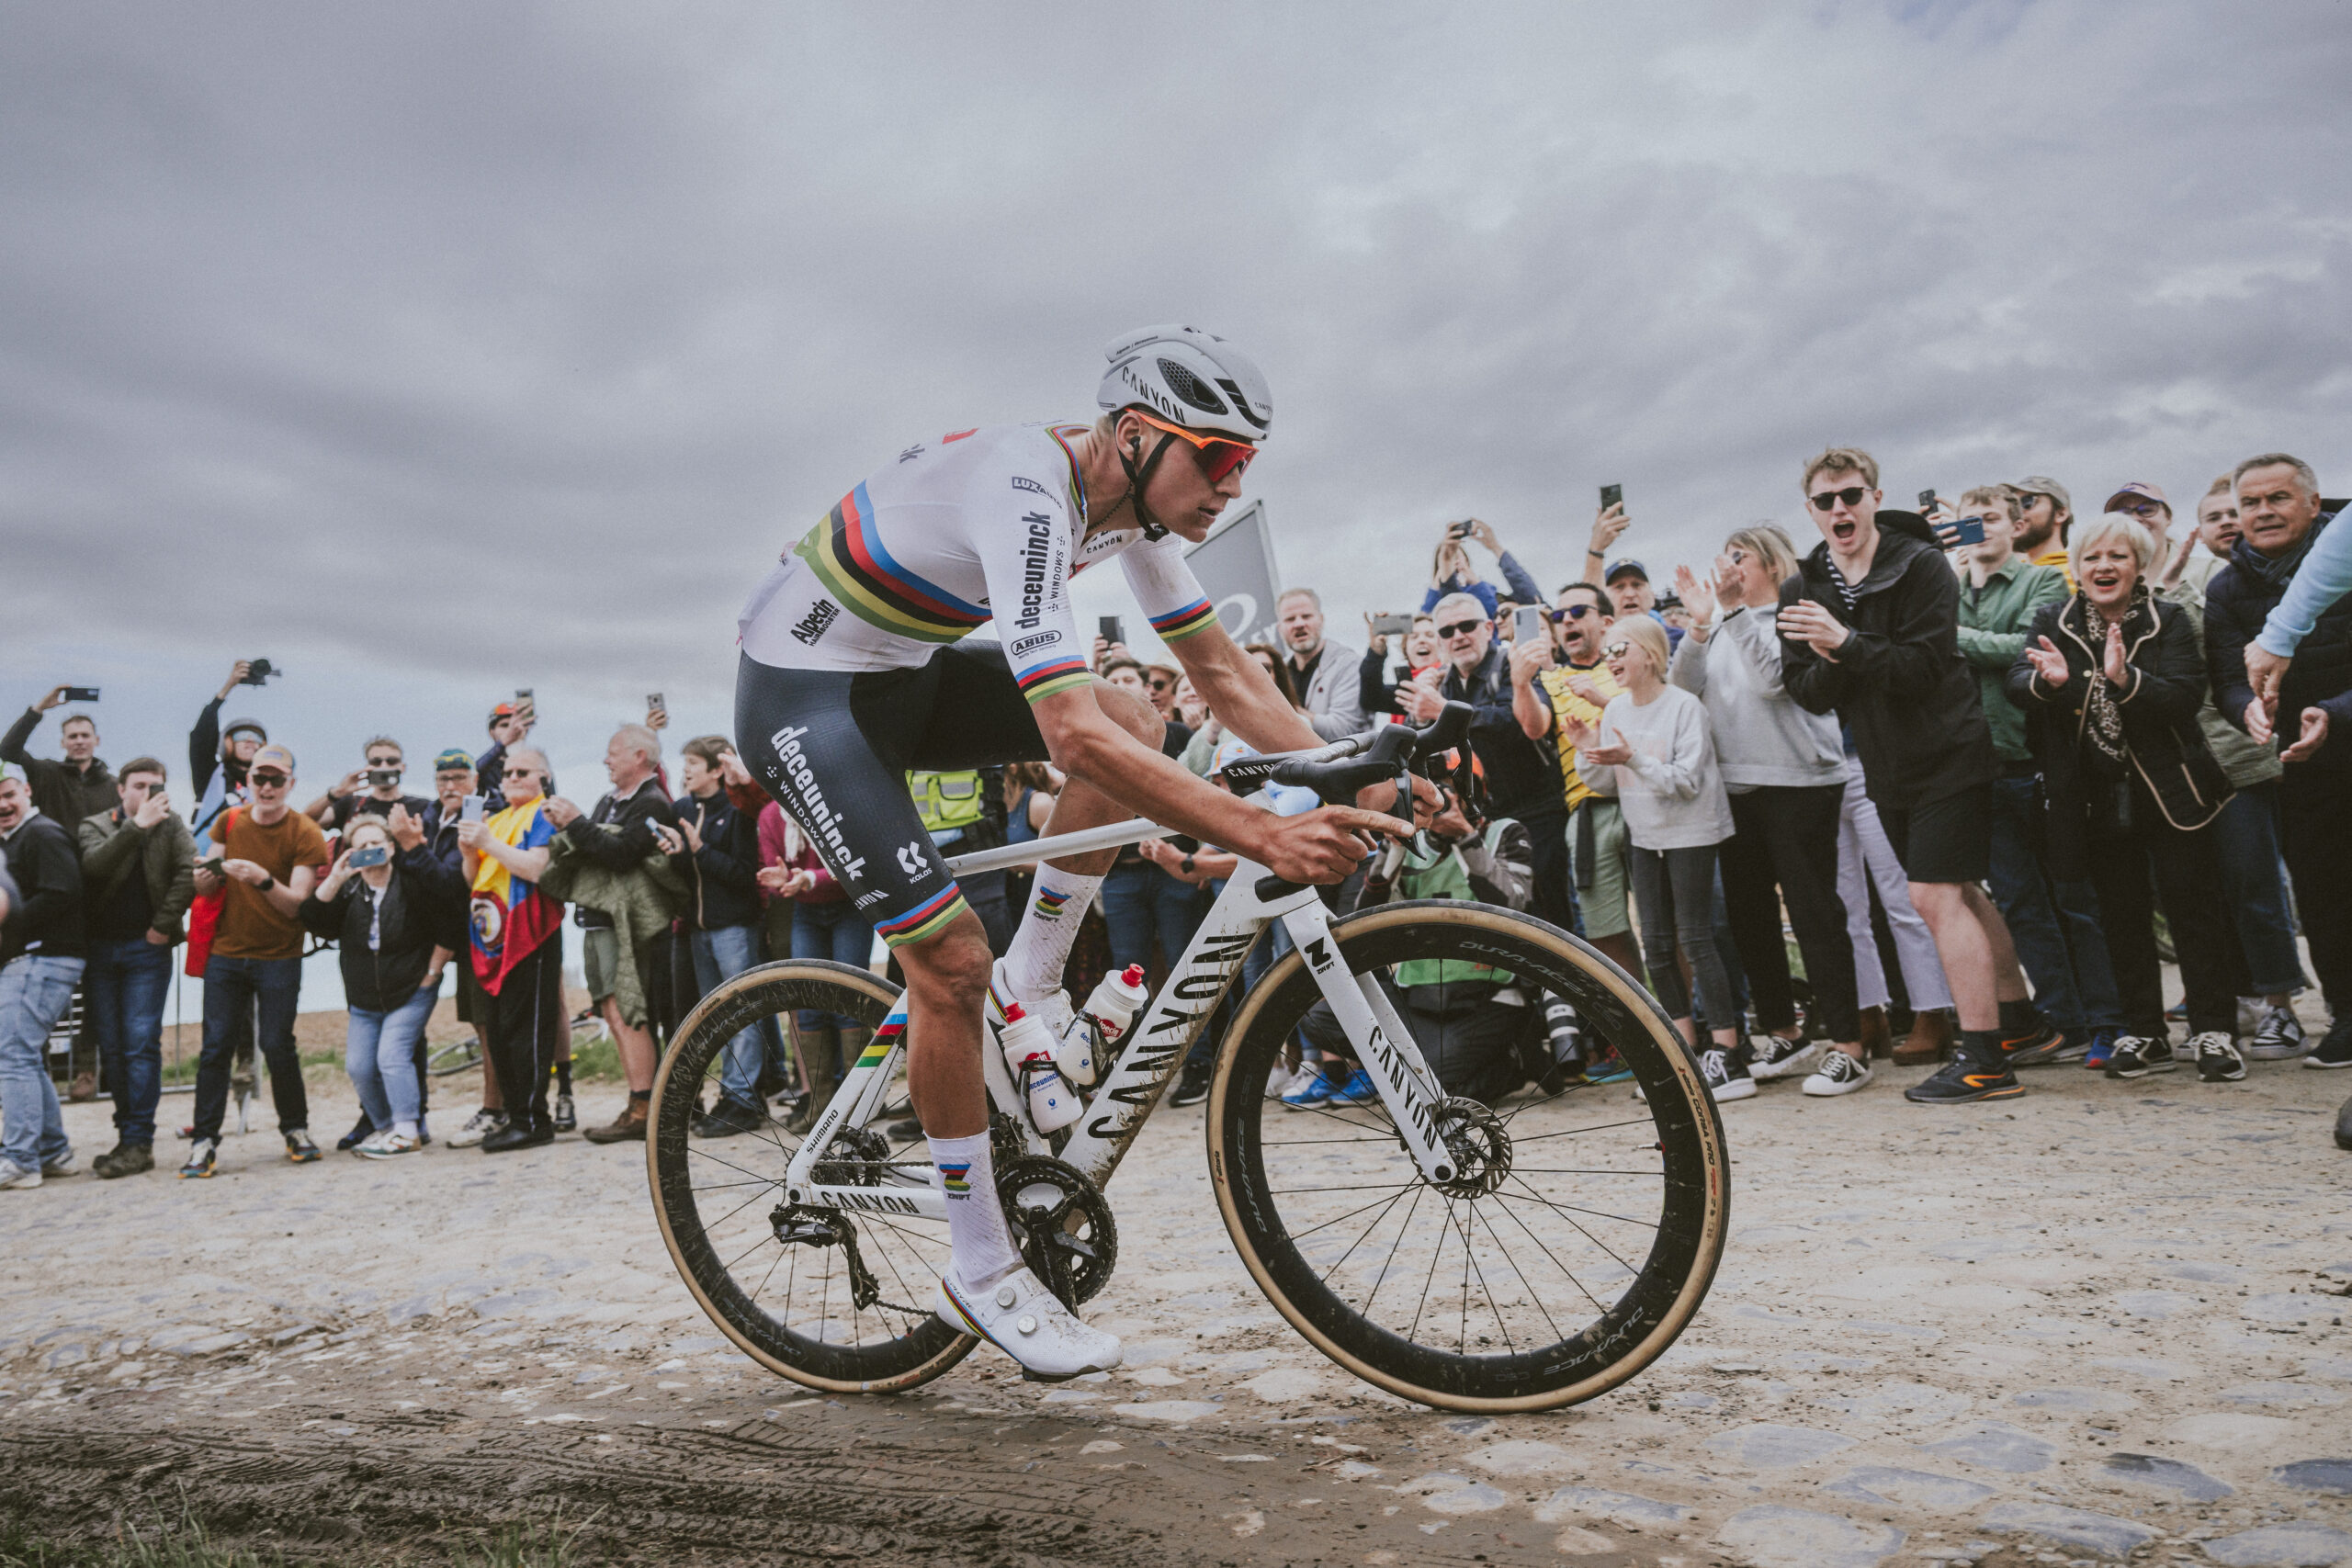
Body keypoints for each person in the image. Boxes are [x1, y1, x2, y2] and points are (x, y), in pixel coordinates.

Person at [730, 325, 1412, 1382]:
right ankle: (980, 1264)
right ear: (1137, 436)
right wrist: (1263, 831)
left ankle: (1034, 982)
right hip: (806, 698)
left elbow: (1226, 682)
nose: (1231, 484)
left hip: (901, 672)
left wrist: (1356, 766)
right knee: (949, 962)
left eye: (1247, 464)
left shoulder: (1131, 508)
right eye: (1217, 456)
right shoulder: (1028, 488)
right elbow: (1066, 738)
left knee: (1136, 712)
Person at [1777, 447, 2050, 1106]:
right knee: (1958, 890)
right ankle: (2020, 1023)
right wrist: (1838, 654)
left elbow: (1926, 666)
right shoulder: (1802, 585)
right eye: (1825, 500)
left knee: (1932, 898)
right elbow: (1807, 693)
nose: (1840, 509)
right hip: (1884, 760)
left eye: (1850, 495)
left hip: (1950, 746)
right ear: (1811, 511)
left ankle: (1985, 1061)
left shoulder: (1920, 562)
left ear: (1873, 496)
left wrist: (1842, 644)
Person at [2009, 514, 2244, 1082]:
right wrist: (2054, 683)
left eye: (2117, 557)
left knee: (2194, 909)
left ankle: (2214, 1029)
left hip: (2172, 790)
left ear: (2140, 566)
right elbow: (2020, 681)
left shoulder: (2169, 619)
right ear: (2078, 567)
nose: (2103, 567)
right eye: (2092, 558)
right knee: (2121, 916)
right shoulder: (2053, 619)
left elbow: (2186, 696)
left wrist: (2124, 679)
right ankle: (2145, 1032)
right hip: (2093, 794)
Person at [1671, 528, 1870, 1096]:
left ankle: (1850, 1046)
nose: (1728, 567)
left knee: (1813, 914)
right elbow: (1683, 691)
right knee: (1750, 918)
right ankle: (1785, 1031)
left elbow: (1774, 684)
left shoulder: (1796, 613)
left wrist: (1733, 611)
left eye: (1740, 557)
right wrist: (1701, 623)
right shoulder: (1719, 625)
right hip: (1735, 787)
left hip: (1800, 780)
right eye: (1725, 556)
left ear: (1772, 563)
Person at [2120, 482, 2312, 1059]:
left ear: (2170, 519)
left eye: (2144, 509)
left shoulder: (2207, 575)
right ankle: (2234, 1001)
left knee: (2253, 884)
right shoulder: (2118, 587)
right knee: (2197, 893)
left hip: (2231, 754)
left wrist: (2172, 592)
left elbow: (2229, 661)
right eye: (2124, 513)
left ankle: (2282, 1009)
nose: (2136, 519)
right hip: (2170, 770)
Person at [1954, 485, 2125, 1066]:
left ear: (2014, 523)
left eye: (1992, 518)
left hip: (2040, 761)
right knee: (2021, 904)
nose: (1980, 529)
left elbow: (2024, 650)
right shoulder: (1947, 591)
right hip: (1978, 766)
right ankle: (2064, 1022)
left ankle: (2108, 1020)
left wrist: (1946, 637)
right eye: (1968, 521)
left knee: (2075, 896)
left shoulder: (2042, 582)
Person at [2206, 453, 2352, 1068]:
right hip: (2299, 755)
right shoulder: (2227, 587)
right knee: (2322, 891)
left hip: (2338, 719)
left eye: (2278, 499)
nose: (2262, 512)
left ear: (2314, 504)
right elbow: (2226, 676)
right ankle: (2347, 1015)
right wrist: (2248, 712)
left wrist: (2336, 710)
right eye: (2251, 503)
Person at [1566, 617, 1749, 1100]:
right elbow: (1606, 785)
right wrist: (1589, 752)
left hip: (1692, 832)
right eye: (1606, 651)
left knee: (1696, 939)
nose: (1610, 658)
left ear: (1649, 653)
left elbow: (1686, 782)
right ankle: (1682, 1052)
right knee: (1658, 944)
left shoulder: (1684, 707)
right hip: (1644, 836)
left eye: (1619, 648)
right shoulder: (1617, 711)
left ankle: (1729, 1054)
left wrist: (1632, 759)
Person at [179, 743, 330, 1177]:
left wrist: (262, 880)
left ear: (291, 785)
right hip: (227, 953)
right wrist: (202, 878)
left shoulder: (305, 832)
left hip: (279, 955)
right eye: (259, 778)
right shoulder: (229, 821)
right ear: (246, 782)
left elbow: (297, 906)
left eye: (276, 779)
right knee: (215, 1047)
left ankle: (296, 1130)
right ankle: (203, 1141)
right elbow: (205, 888)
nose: (267, 787)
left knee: (277, 1044)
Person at [1413, 592, 1576, 939]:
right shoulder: (1446, 681)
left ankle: (1570, 992)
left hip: (1538, 812)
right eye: (1447, 631)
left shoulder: (1509, 662)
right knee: (1504, 920)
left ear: (1489, 628)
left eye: (1467, 626)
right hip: (1484, 819)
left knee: (1552, 916)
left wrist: (1443, 709)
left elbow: (1518, 726)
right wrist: (1423, 717)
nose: (1458, 636)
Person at [545, 725, 677, 1144]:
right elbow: (594, 847)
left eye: (612, 752)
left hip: (628, 926)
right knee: (612, 1013)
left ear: (640, 755)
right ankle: (638, 1102)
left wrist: (577, 824)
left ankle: (645, 1106)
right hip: (598, 921)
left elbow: (620, 856)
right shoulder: (610, 800)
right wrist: (577, 830)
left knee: (631, 1012)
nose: (606, 760)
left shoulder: (653, 802)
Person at [1520, 583, 1643, 992]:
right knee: (1604, 932)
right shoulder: (1552, 681)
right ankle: (1643, 1035)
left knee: (1667, 925)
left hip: (1644, 801)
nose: (1567, 621)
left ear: (1607, 622)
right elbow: (1534, 727)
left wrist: (1603, 701)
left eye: (1578, 612)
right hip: (1586, 815)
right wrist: (1521, 683)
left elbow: (1658, 720)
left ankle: (1690, 1032)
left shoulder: (1632, 664)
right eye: (1559, 617)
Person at [75, 758, 195, 1178]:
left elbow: (188, 873)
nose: (148, 793)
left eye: (156, 785)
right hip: (101, 951)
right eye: (139, 785)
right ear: (121, 789)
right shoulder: (94, 825)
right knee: (112, 1047)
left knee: (140, 1042)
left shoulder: (174, 824)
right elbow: (94, 867)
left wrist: (163, 928)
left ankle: (138, 1140)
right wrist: (137, 827)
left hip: (148, 950)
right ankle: (127, 1135)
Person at [300, 816, 447, 1157]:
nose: (369, 851)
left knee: (392, 1057)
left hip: (411, 990)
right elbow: (312, 919)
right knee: (360, 1067)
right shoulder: (349, 889)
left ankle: (408, 1130)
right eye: (360, 846)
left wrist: (432, 972)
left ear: (391, 848)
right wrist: (336, 878)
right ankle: (386, 1129)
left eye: (375, 844)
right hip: (364, 999)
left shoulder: (412, 884)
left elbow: (447, 924)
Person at [659, 736, 771, 1136]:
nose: (686, 770)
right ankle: (731, 1095)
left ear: (716, 770)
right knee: (718, 1019)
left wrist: (700, 850)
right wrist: (677, 854)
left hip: (735, 928)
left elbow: (744, 874)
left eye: (692, 763)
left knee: (742, 1016)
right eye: (684, 762)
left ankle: (742, 1100)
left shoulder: (737, 809)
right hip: (698, 931)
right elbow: (688, 874)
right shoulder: (682, 808)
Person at [458, 746, 566, 1151]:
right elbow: (475, 879)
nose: (513, 778)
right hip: (493, 938)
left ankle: (534, 1119)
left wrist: (487, 840)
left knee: (528, 1032)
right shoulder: (498, 818)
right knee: (501, 1033)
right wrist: (471, 852)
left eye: (524, 771)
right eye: (507, 773)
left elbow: (537, 868)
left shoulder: (545, 812)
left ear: (543, 777)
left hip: (530, 934)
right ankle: (515, 1114)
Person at [397, 750, 501, 1141]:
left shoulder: (475, 818)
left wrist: (413, 848)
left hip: (475, 937)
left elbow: (453, 886)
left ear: (475, 781)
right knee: (478, 1023)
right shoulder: (430, 816)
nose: (451, 786)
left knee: (487, 1025)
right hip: (439, 938)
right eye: (443, 780)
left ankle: (494, 1108)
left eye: (460, 778)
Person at [0, 773, 86, 1190]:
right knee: (25, 1056)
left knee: (14, 1055)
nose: (2, 804)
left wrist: (9, 922)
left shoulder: (43, 835)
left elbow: (62, 892)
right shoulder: (15, 840)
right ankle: (53, 1152)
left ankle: (20, 1160)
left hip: (44, 957)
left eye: (8, 794)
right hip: (36, 958)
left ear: (27, 790)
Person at [4, 690, 117, 834]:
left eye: (85, 735)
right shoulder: (46, 774)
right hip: (54, 854)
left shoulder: (115, 786)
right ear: (63, 743)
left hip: (100, 856)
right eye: (73, 737)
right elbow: (8, 752)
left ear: (97, 740)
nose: (79, 741)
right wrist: (38, 710)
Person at [1273, 588, 1368, 741]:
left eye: (1306, 616)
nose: (1299, 624)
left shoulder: (1349, 664)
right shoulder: (1278, 671)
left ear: (1321, 619)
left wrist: (1282, 710)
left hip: (1344, 764)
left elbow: (1343, 731)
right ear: (1280, 628)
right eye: (1290, 619)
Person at [305, 737, 432, 834]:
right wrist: (337, 793)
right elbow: (305, 823)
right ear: (367, 767)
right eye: (376, 762)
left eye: (391, 761)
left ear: (402, 767)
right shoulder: (350, 805)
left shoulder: (424, 807)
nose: (384, 767)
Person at [1423, 517, 1543, 620]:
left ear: (1467, 560)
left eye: (1457, 557)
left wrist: (1495, 547)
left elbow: (1529, 599)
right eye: (1450, 559)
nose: (1454, 563)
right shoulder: (1435, 599)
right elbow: (1424, 619)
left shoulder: (1487, 591)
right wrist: (1441, 575)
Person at [1359, 613, 1442, 721]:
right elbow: (1371, 699)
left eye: (1430, 635)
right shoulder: (1407, 685)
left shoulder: (1454, 678)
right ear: (1405, 649)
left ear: (1443, 644)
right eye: (1414, 637)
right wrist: (1376, 652)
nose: (1422, 640)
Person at [2013, 475, 2075, 585]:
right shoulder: (2008, 575)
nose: (2018, 512)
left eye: (2027, 502)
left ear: (2060, 514)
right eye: (2013, 506)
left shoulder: (2077, 574)